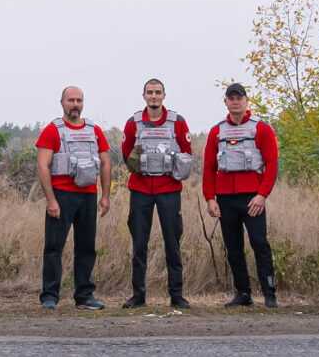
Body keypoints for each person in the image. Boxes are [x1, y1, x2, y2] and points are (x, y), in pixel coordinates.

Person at [203, 82, 279, 307]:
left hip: (252, 198)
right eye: (231, 98)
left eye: (239, 98)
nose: (235, 102)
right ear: (225, 102)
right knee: (233, 247)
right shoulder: (217, 131)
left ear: (247, 101)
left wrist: (262, 195)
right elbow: (208, 167)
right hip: (225, 198)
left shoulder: (261, 129)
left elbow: (272, 164)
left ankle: (269, 293)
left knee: (259, 244)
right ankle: (243, 293)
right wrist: (210, 198)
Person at [35, 86, 110, 311]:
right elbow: (42, 166)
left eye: (78, 100)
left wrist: (106, 196)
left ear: (83, 103)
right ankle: (50, 296)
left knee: (87, 247)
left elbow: (106, 163)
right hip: (62, 195)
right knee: (54, 247)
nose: (74, 104)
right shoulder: (52, 130)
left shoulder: (94, 130)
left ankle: (84, 296)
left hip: (88, 195)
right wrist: (51, 200)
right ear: (62, 103)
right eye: (70, 100)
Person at [119, 79, 192, 309]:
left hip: (169, 190)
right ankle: (138, 295)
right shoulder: (133, 123)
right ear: (143, 96)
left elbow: (187, 152)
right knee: (139, 244)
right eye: (149, 92)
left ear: (164, 95)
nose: (154, 96)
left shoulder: (177, 122)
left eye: (157, 92)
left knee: (173, 243)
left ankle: (176, 295)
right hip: (140, 190)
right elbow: (126, 153)